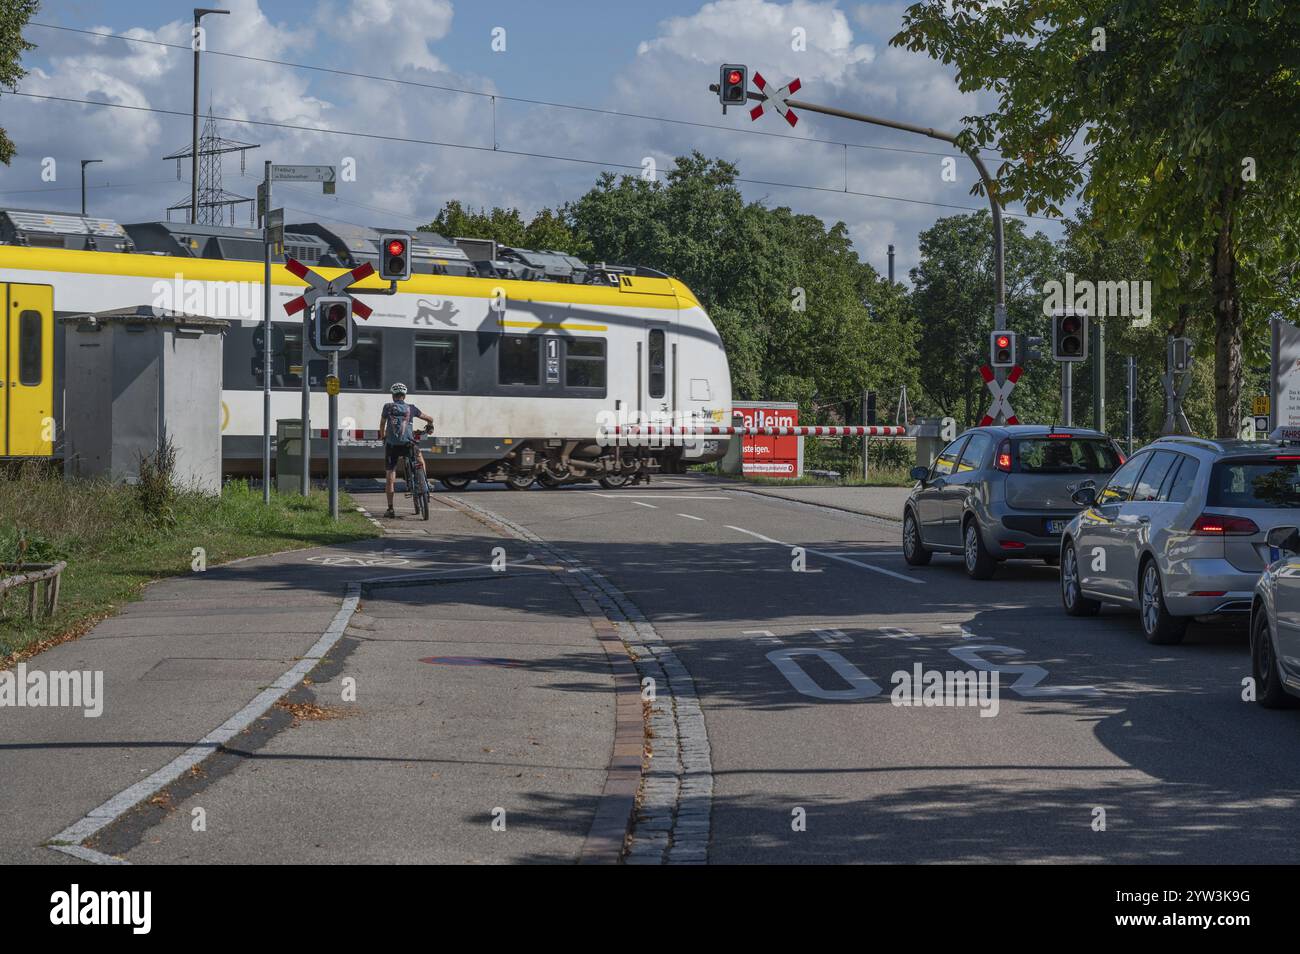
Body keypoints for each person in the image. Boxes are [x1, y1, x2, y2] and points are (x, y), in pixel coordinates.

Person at [379, 383, 434, 518]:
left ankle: (390, 509)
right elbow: (429, 418)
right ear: (405, 396)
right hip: (408, 445)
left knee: (390, 476)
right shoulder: (411, 408)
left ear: (393, 396)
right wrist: (430, 426)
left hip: (392, 446)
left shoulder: (387, 407)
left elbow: (381, 424)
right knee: (419, 456)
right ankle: (425, 483)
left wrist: (383, 437)